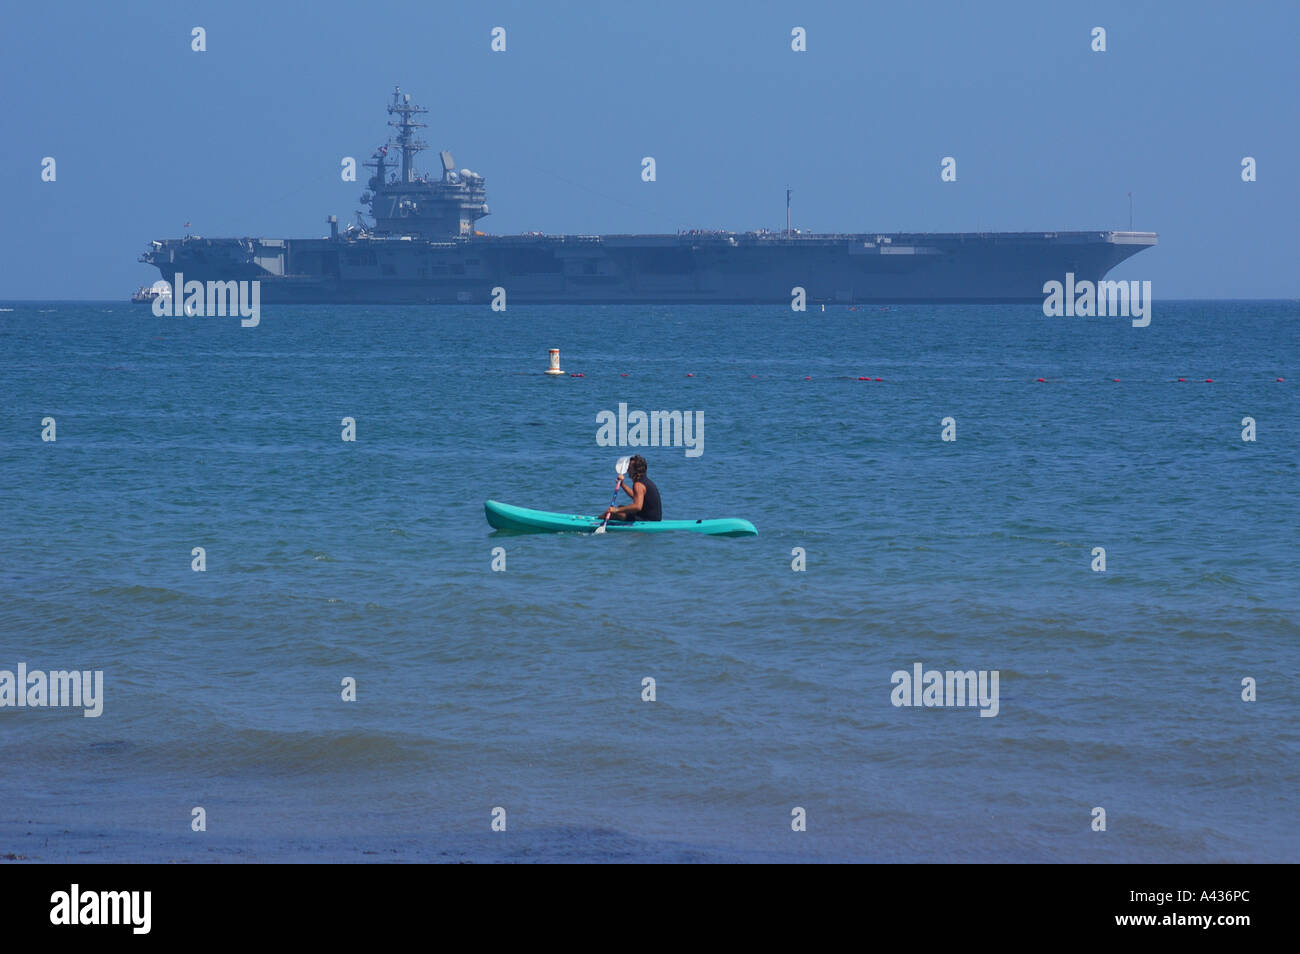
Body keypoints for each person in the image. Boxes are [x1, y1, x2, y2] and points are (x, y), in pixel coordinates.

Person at [601, 455, 662, 523]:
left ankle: (598, 521)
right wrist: (622, 485)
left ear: (636, 470)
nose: (627, 470)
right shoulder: (645, 481)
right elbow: (635, 496)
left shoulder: (638, 485)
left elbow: (637, 506)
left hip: (648, 519)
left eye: (629, 468)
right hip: (654, 517)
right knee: (621, 507)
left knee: (614, 513)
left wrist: (616, 510)